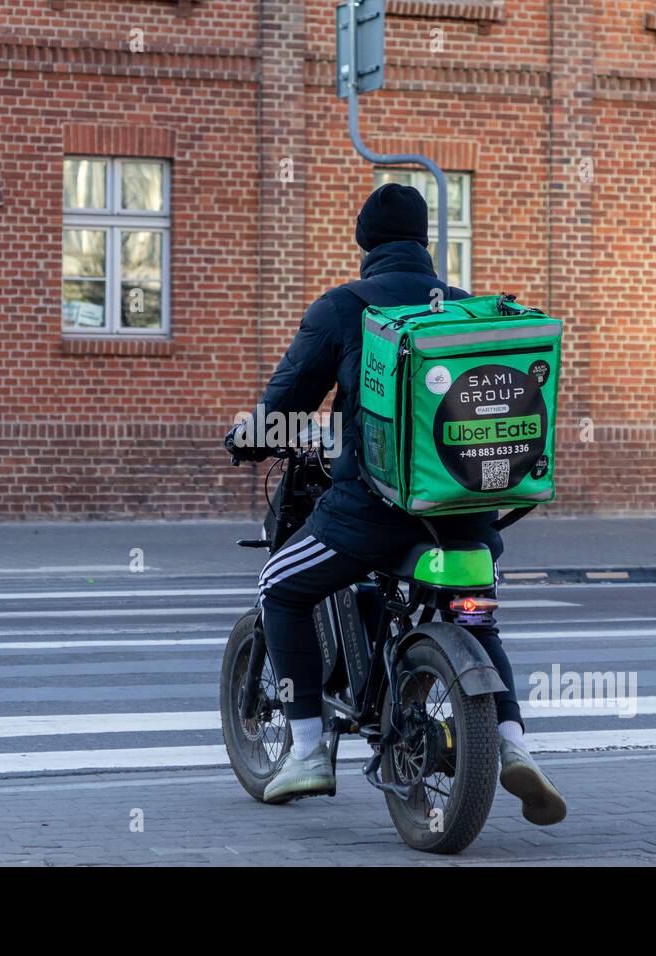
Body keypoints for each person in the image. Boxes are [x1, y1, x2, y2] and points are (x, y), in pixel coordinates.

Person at [225, 182, 567, 825]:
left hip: (371, 515)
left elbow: (287, 401)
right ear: (425, 244)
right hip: (467, 516)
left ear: (365, 246)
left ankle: (304, 750)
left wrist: (248, 437)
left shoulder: (343, 309)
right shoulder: (466, 313)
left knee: (280, 585)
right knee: (476, 621)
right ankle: (515, 744)